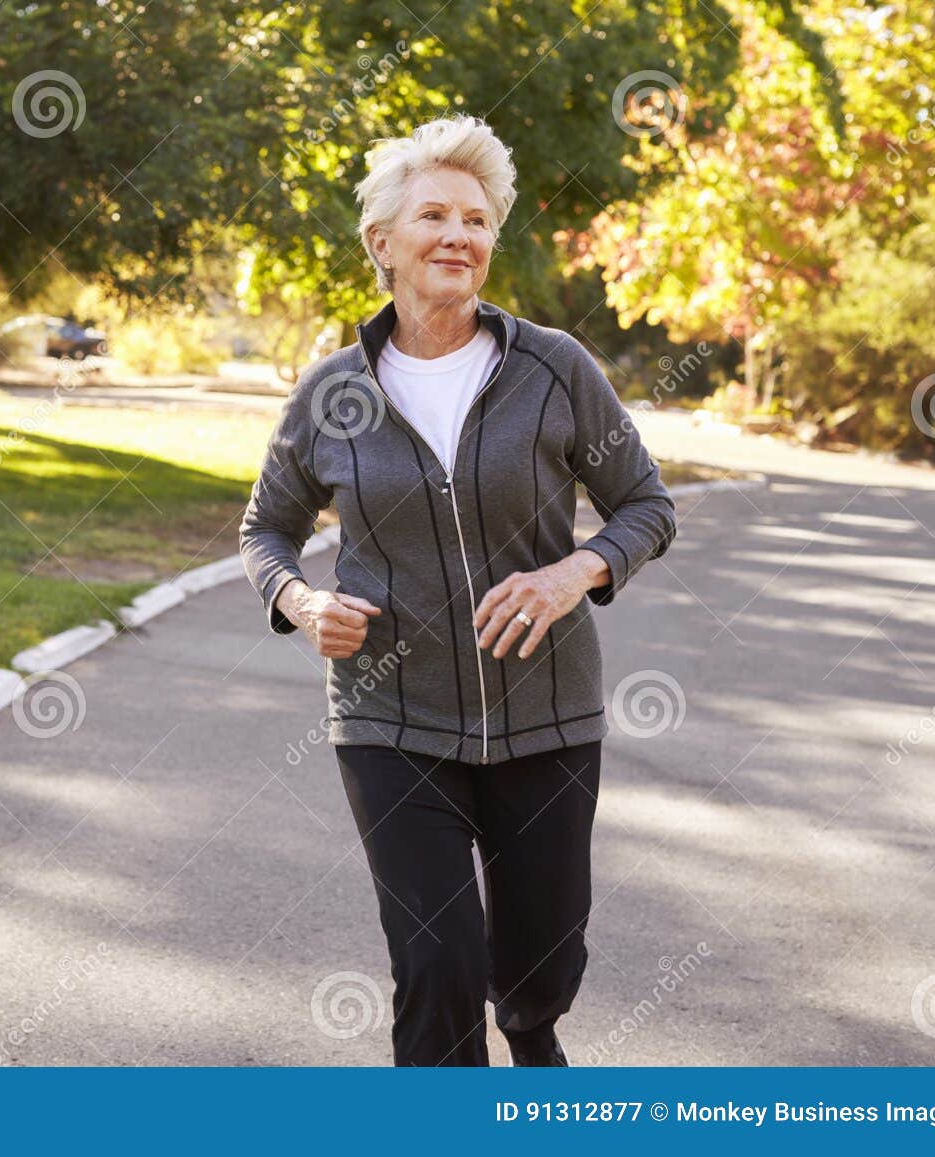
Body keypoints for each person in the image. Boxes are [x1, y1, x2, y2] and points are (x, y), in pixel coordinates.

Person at [238, 112, 677, 1066]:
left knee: (536, 968)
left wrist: (577, 570)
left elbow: (646, 505)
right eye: (434, 214)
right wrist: (300, 602)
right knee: (436, 965)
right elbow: (266, 529)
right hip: (390, 718)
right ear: (381, 244)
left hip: (547, 715)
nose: (458, 236)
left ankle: (530, 1029)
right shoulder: (332, 394)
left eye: (477, 220)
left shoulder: (554, 369)